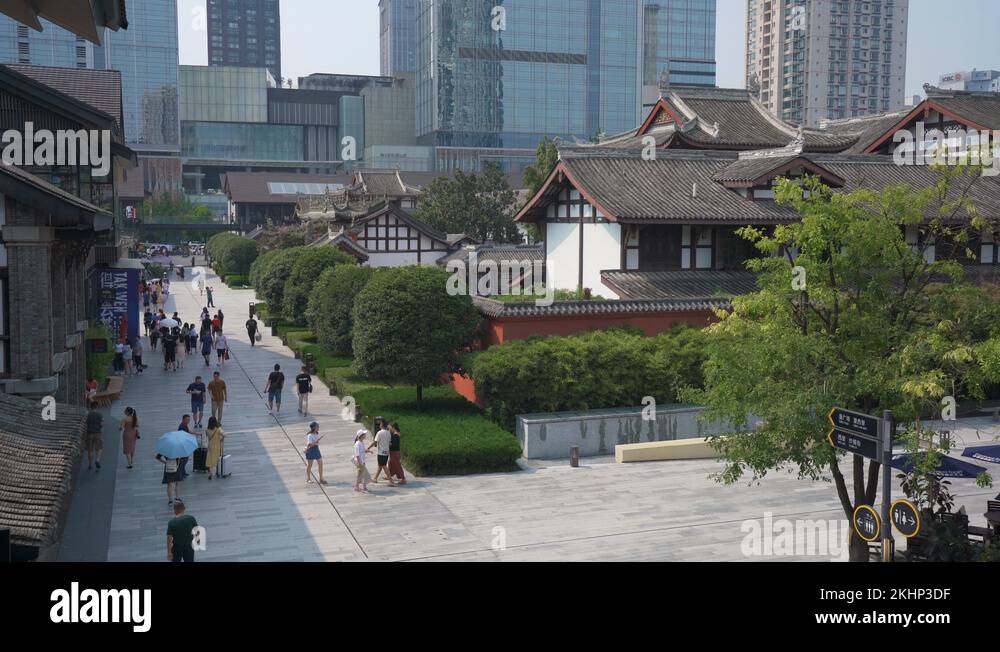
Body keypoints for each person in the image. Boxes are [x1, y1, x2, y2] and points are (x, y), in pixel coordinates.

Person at [368, 420, 396, 486]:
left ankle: (391, 481)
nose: (379, 425)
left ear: (382, 425)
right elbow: (389, 443)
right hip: (386, 452)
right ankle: (375, 478)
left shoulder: (379, 433)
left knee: (383, 466)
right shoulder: (388, 433)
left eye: (380, 424)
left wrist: (368, 448)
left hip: (381, 452)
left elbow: (375, 442)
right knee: (380, 465)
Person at [84, 402, 103, 471]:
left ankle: (90, 464)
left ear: (90, 407)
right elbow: (101, 424)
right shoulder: (99, 414)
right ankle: (97, 460)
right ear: (96, 407)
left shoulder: (87, 414)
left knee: (90, 450)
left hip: (89, 433)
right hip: (97, 433)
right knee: (99, 448)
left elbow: (85, 424)